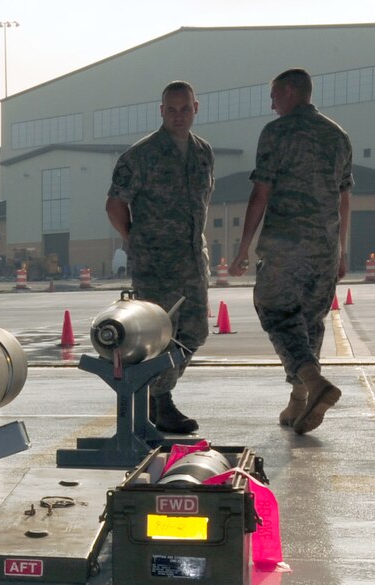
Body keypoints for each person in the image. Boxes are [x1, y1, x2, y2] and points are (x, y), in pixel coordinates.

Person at [229, 68, 353, 435]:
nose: (271, 105)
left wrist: (242, 248)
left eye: (273, 97)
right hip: (325, 250)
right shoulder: (338, 136)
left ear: (289, 92)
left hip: (286, 247)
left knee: (275, 311)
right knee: (308, 325)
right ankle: (299, 401)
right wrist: (341, 250)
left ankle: (315, 383)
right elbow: (344, 199)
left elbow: (260, 193)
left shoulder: (276, 133)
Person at [106, 80, 214, 434]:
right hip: (156, 265)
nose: (179, 116)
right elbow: (115, 204)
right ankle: (161, 402)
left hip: (193, 260)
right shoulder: (141, 156)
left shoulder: (203, 153)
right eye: (171, 110)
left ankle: (154, 393)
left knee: (195, 332)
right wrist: (135, 239)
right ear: (161, 111)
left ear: (195, 108)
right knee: (161, 336)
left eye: (185, 109)